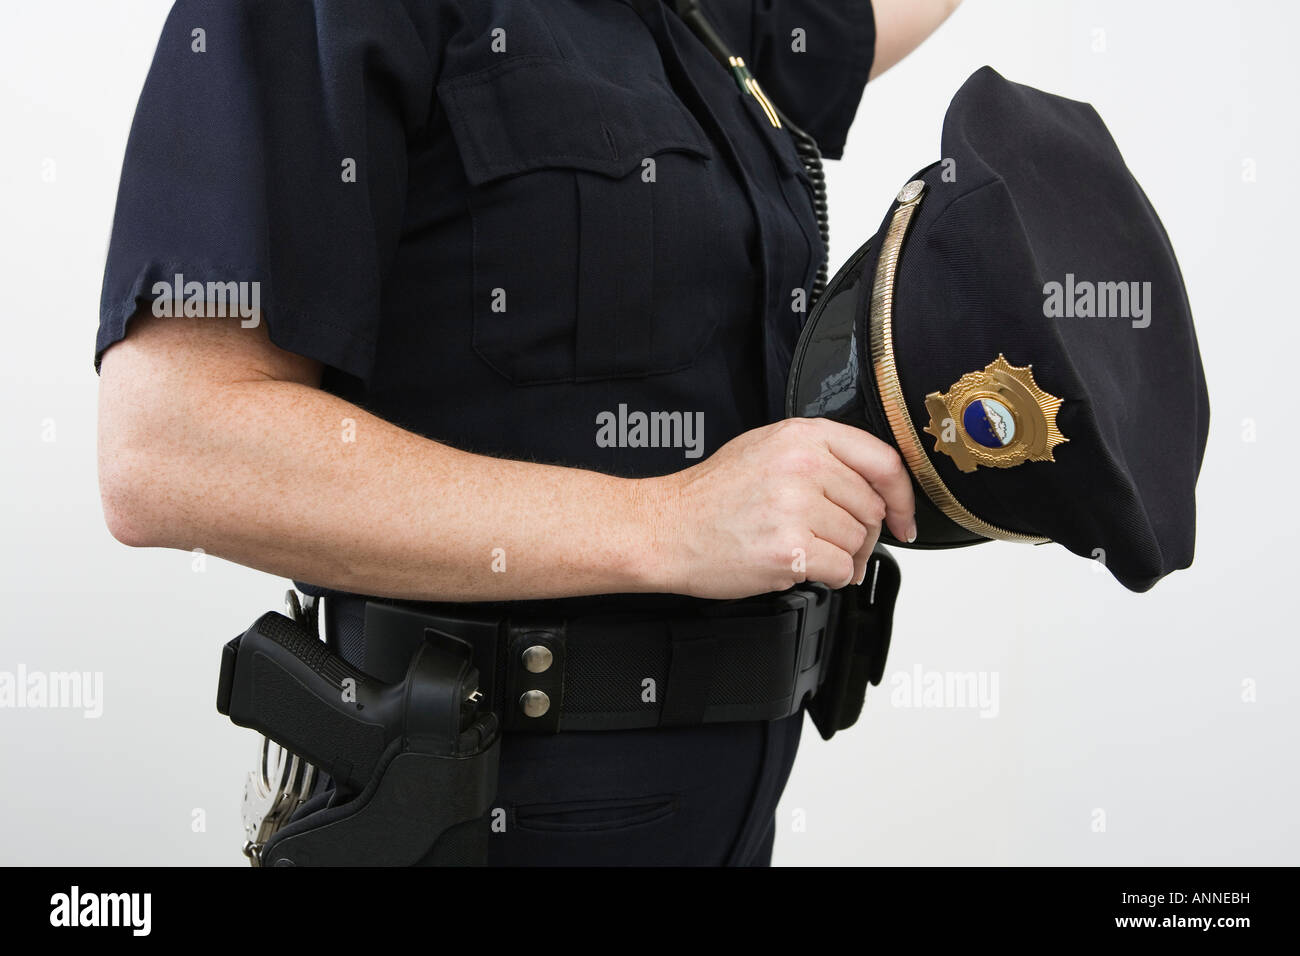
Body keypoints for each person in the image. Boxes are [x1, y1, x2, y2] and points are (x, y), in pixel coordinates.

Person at [95, 0, 963, 865]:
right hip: (471, 816)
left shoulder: (705, 18)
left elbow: (862, 19)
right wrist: (667, 522)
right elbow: (170, 446)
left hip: (729, 823)